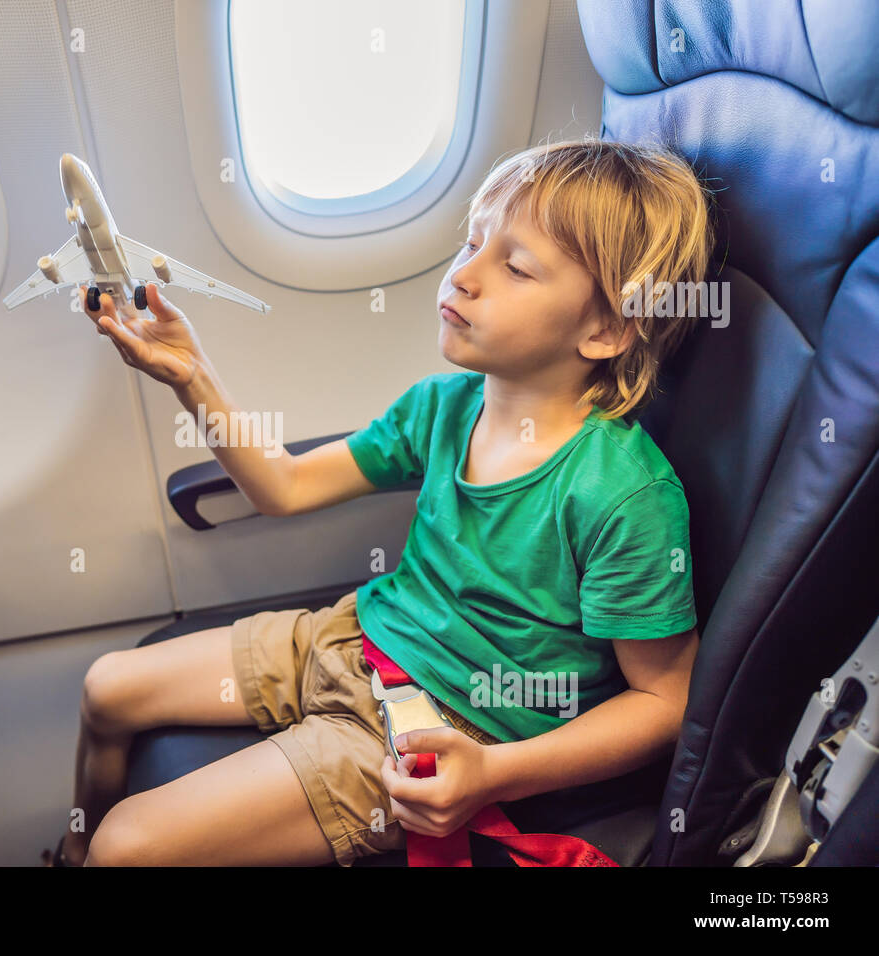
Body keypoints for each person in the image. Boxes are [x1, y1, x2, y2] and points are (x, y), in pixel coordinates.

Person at [52, 139, 715, 866]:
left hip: (435, 728)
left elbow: (665, 704)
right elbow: (284, 486)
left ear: (607, 329)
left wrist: (492, 772)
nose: (462, 274)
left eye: (514, 266)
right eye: (471, 242)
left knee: (127, 847)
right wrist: (191, 376)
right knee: (107, 687)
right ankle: (70, 849)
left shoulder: (621, 493)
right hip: (358, 635)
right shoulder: (444, 407)